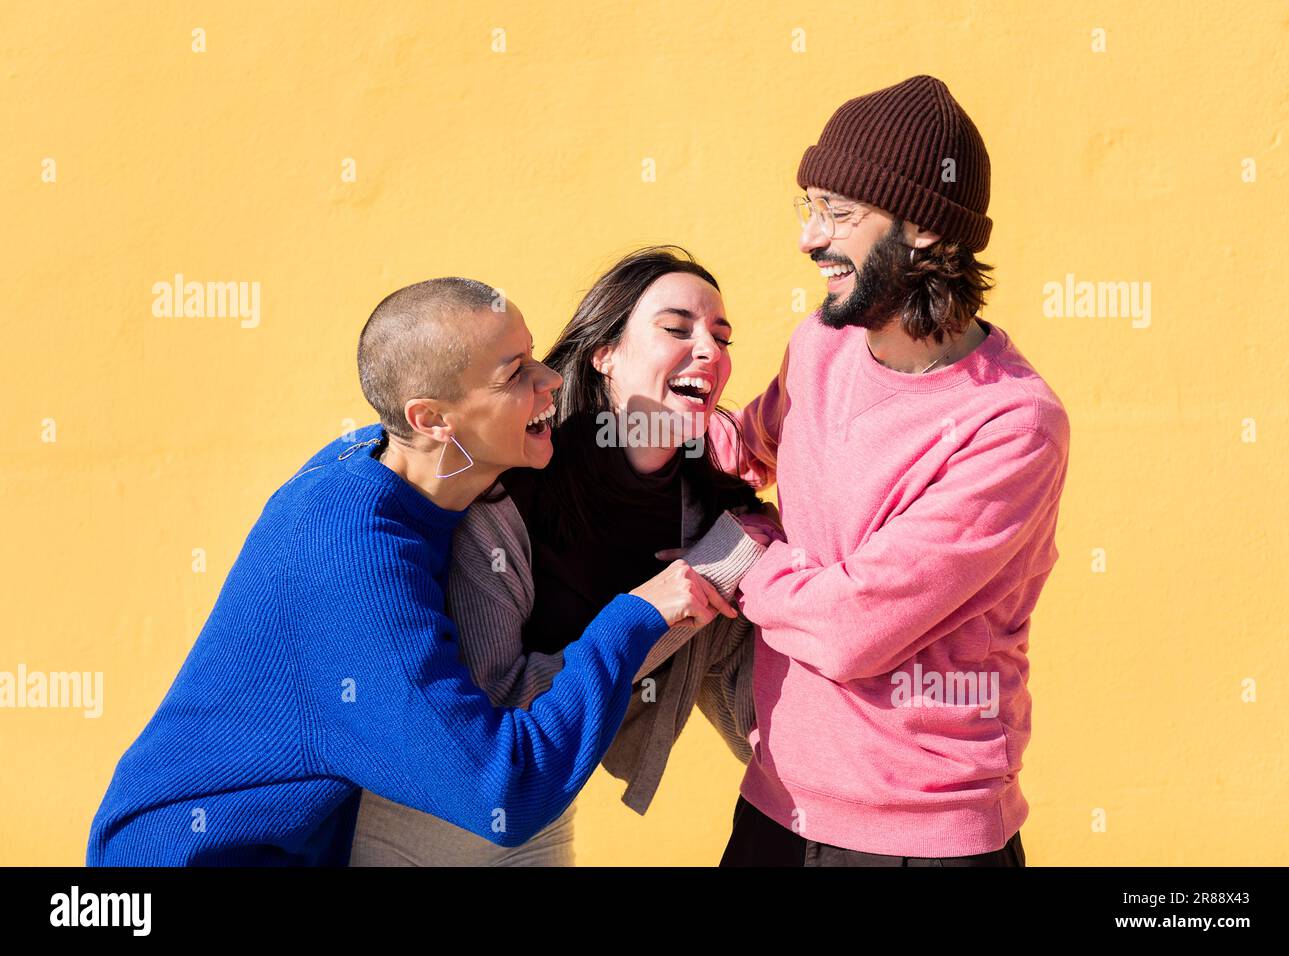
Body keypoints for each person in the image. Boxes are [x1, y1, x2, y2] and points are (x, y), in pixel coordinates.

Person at [86, 277, 734, 866]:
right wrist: (637, 616)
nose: (550, 380)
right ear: (431, 419)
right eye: (515, 374)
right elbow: (501, 790)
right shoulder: (354, 555)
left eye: (535, 355)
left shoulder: (381, 460)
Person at [713, 76, 1070, 867]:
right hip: (776, 801)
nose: (810, 237)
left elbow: (850, 628)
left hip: (921, 836)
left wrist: (738, 557)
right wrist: (630, 411)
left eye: (839, 212)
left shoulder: (1012, 425)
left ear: (929, 234)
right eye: (807, 206)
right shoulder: (821, 345)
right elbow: (741, 452)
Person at [350, 247, 776, 866]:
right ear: (605, 354)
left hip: (540, 810)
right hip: (418, 815)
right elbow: (498, 705)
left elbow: (749, 707)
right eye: (677, 329)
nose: (709, 351)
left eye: (722, 335)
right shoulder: (509, 490)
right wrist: (669, 603)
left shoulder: (717, 514)